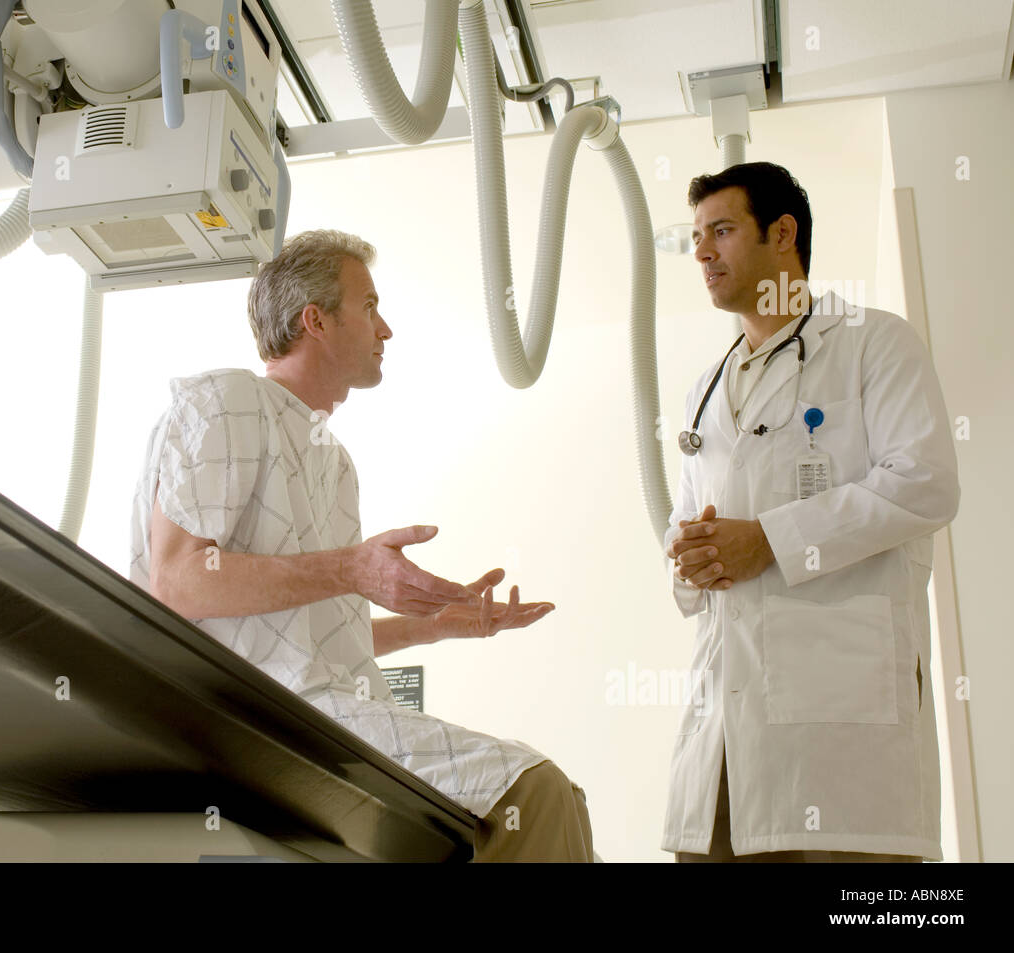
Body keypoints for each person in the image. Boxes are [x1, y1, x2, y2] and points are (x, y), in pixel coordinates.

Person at [130, 229, 593, 862]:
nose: (386, 329)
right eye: (370, 306)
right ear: (314, 320)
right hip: (254, 722)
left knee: (562, 795)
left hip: (322, 712)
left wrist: (435, 627)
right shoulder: (229, 402)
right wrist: (352, 567)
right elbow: (177, 583)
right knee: (531, 792)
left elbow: (309, 639)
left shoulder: (333, 463)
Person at [662, 162, 960, 862]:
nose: (701, 251)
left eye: (723, 230)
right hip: (726, 734)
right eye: (697, 236)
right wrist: (690, 561)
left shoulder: (873, 343)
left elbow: (925, 483)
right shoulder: (704, 392)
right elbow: (683, 532)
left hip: (842, 736)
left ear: (783, 234)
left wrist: (769, 539)